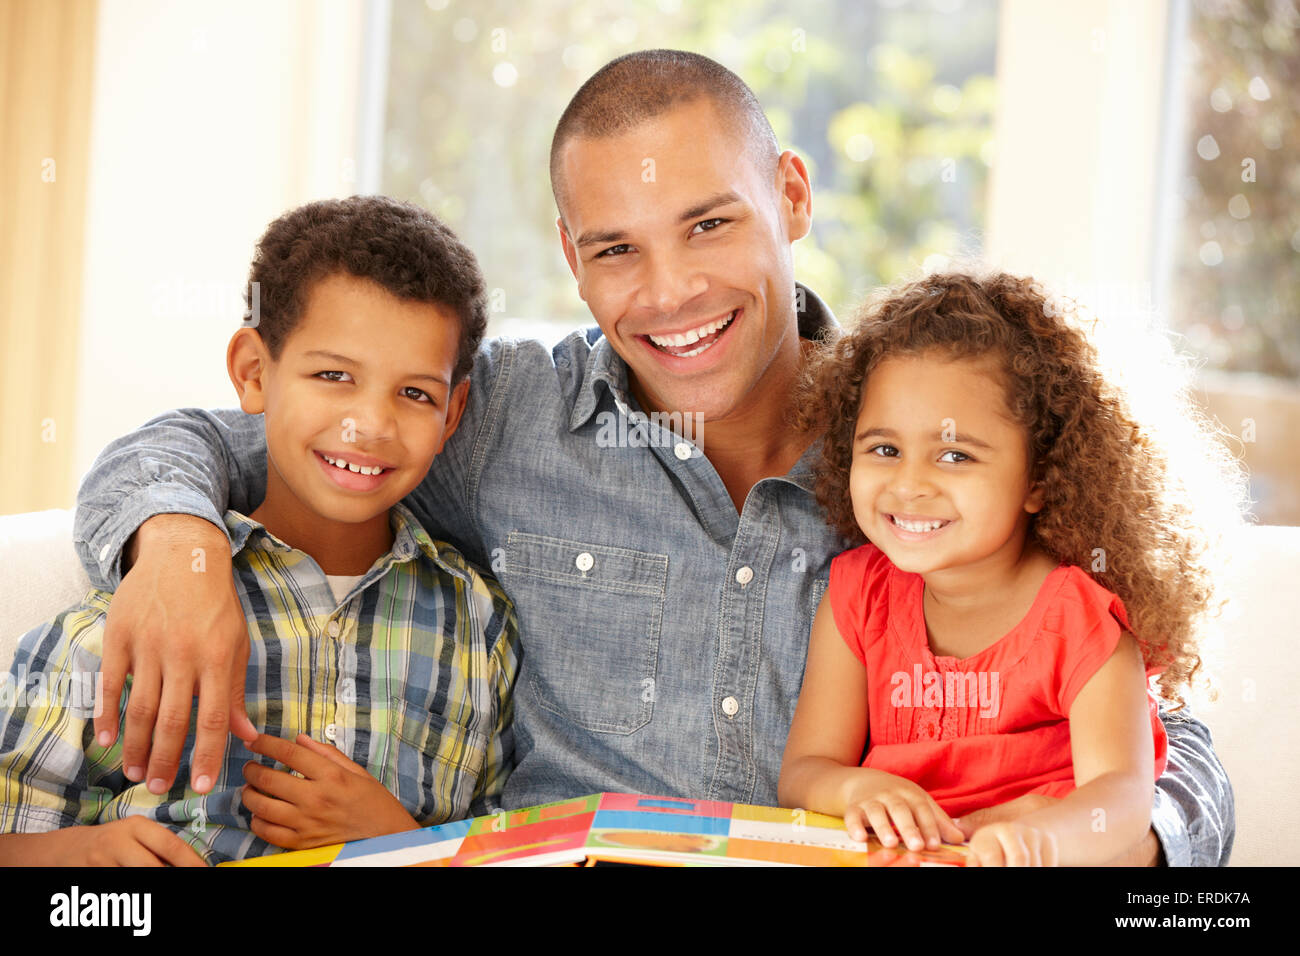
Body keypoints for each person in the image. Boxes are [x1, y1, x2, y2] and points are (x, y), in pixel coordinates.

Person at [72, 50, 1232, 865]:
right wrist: (175, 545)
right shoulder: (500, 420)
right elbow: (214, 440)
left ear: (790, 196)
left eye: (710, 223)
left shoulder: (930, 453)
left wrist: (1106, 838)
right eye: (618, 248)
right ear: (573, 263)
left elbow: (1163, 744)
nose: (670, 292)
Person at [0, 196, 518, 864]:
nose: (370, 424)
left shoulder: (481, 625)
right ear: (253, 372)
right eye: (334, 376)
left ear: (453, 413)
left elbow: (517, 846)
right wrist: (80, 855)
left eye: (415, 393)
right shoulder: (145, 613)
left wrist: (402, 843)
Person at [779, 271, 1247, 865]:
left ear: (1039, 479)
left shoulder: (1080, 616)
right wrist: (855, 788)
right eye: (885, 449)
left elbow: (1124, 797)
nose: (909, 484)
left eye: (955, 455)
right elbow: (804, 770)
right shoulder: (856, 593)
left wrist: (1041, 841)